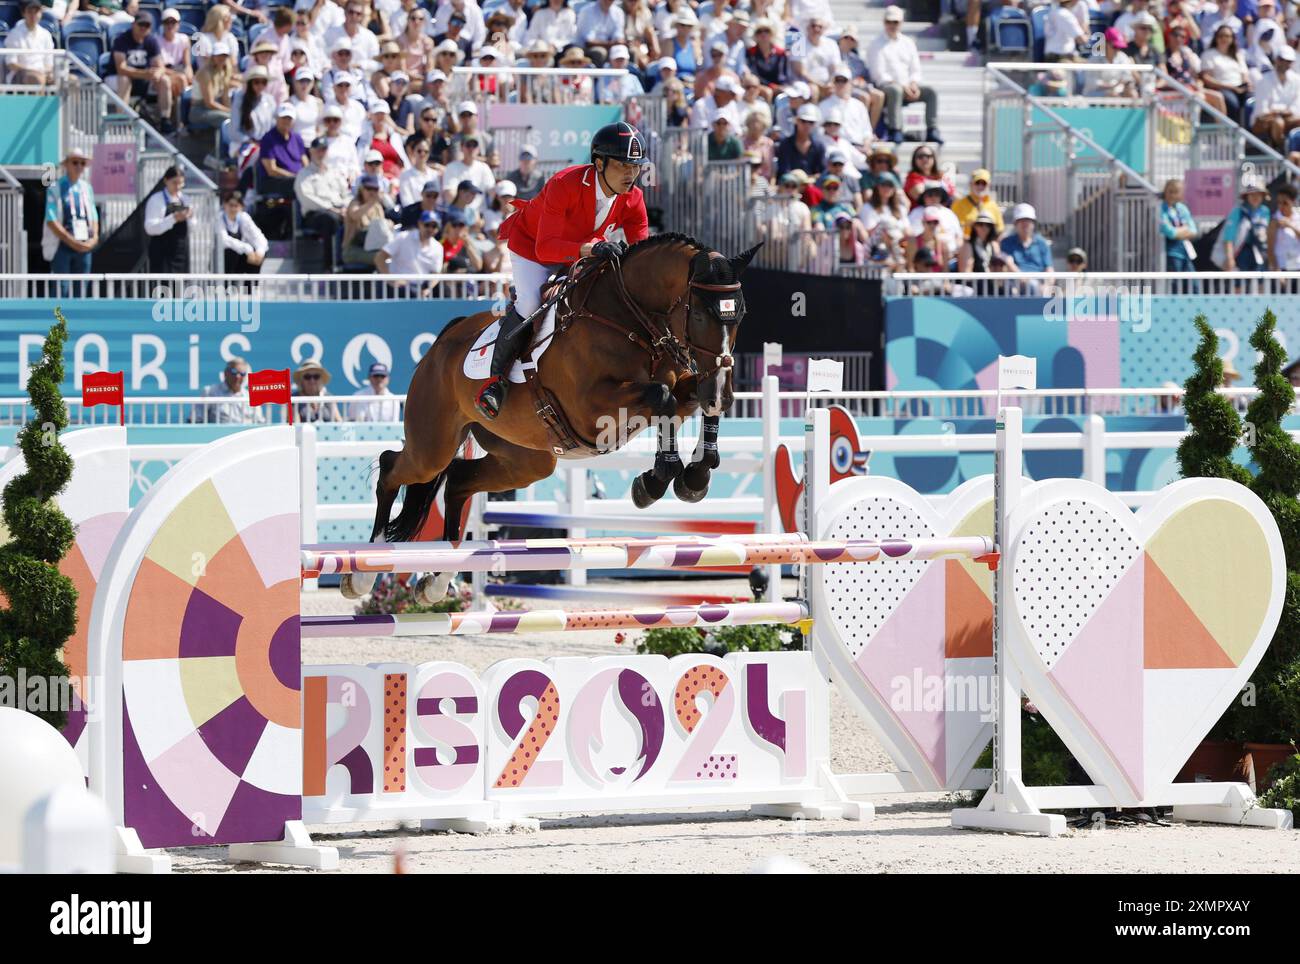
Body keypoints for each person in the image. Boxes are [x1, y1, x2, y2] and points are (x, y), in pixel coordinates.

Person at [477, 121, 650, 419]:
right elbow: (547, 248)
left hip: (579, 252)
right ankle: (495, 384)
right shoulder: (564, 183)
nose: (631, 174)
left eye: (635, 167)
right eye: (623, 166)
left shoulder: (633, 197)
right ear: (599, 163)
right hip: (533, 249)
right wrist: (592, 248)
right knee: (531, 304)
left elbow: (642, 249)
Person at [866, 6, 942, 145]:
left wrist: (913, 83)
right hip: (886, 87)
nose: (892, 25)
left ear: (901, 23)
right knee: (895, 90)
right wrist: (902, 85)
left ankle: (932, 129)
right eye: (889, 22)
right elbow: (879, 74)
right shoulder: (876, 44)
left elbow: (915, 69)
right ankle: (895, 129)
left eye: (895, 22)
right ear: (884, 22)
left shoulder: (908, 43)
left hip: (907, 86)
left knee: (931, 92)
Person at [110, 12, 176, 132]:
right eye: (141, 24)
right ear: (133, 24)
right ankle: (121, 120)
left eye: (147, 25)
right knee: (124, 78)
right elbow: (121, 68)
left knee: (165, 80)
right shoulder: (122, 40)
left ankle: (165, 119)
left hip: (143, 79)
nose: (143, 28)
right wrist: (145, 73)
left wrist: (157, 73)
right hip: (117, 79)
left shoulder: (151, 40)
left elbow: (160, 65)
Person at [43, 147, 99, 285]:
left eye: (82, 163)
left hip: (84, 245)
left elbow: (93, 216)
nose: (79, 166)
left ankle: (79, 308)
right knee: (61, 291)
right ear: (66, 164)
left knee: (82, 291)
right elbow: (51, 220)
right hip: (62, 245)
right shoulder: (55, 187)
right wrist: (72, 242)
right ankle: (57, 309)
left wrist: (94, 239)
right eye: (75, 162)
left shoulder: (87, 188)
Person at [295, 137, 351, 269]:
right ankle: (330, 264)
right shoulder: (303, 174)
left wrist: (346, 207)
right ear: (312, 152)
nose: (321, 153)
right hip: (316, 213)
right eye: (318, 150)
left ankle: (350, 260)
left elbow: (346, 193)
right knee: (330, 220)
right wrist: (331, 208)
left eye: (324, 150)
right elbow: (307, 199)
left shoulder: (335, 172)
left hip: (340, 210)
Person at [376, 210, 445, 291]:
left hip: (418, 291)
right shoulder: (403, 237)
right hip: (396, 290)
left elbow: (436, 273)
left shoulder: (438, 247)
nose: (430, 229)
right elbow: (379, 258)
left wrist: (427, 289)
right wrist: (390, 280)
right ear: (419, 223)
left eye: (434, 226)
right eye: (427, 225)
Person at [144, 166, 191, 273]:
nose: (178, 187)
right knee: (162, 287)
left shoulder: (186, 199)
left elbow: (193, 228)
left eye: (181, 183)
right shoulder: (156, 200)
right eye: (175, 183)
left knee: (180, 287)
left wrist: (190, 218)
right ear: (166, 180)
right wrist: (173, 218)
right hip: (162, 254)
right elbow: (149, 228)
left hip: (181, 252)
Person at [1217, 177, 1272, 270]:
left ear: (1263, 196)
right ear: (1247, 196)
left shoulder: (1265, 211)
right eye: (1252, 194)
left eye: (1258, 194)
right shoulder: (1238, 211)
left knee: (1261, 281)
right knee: (1240, 282)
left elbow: (1268, 234)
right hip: (1241, 252)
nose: (1255, 197)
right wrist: (1230, 258)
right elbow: (1228, 237)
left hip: (1261, 251)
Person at [1201, 23, 1252, 123]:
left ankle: (1248, 134)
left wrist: (1247, 85)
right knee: (1233, 104)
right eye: (1221, 36)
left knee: (1251, 102)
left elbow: (1244, 75)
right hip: (1222, 88)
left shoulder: (1238, 55)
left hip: (1239, 87)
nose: (1224, 39)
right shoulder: (1209, 54)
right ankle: (1232, 133)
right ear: (1216, 38)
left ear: (1232, 39)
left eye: (1227, 36)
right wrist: (1231, 87)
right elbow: (1206, 78)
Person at [1252, 46, 1300, 149]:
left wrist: (1279, 112)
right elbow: (1262, 112)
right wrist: (1282, 113)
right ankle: (1282, 151)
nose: (1285, 63)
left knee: (1282, 122)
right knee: (1278, 123)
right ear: (1276, 60)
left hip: (1287, 118)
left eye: (1288, 61)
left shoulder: (1296, 80)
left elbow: (1296, 107)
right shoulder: (1263, 80)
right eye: (1282, 59)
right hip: (1263, 121)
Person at [194, 357, 262, 424]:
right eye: (234, 372)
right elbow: (197, 420)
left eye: (242, 373)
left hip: (246, 434)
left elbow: (260, 422)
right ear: (225, 373)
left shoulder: (251, 396)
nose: (238, 376)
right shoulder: (210, 392)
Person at [342, 172, 390, 267]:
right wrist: (372, 202)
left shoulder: (377, 207)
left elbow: (382, 230)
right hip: (353, 249)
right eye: (368, 189)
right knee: (381, 258)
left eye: (375, 189)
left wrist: (389, 224)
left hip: (374, 248)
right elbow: (355, 215)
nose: (372, 192)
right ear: (362, 189)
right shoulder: (355, 203)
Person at [4, 0, 56, 85]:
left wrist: (47, 74)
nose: (33, 15)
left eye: (36, 12)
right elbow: (11, 64)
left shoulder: (46, 34)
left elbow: (49, 63)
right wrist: (34, 72)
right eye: (30, 12)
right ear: (23, 13)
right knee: (37, 78)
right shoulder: (14, 34)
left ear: (41, 13)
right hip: (19, 75)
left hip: (42, 74)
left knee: (71, 80)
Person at [260, 104, 307, 197]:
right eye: (283, 118)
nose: (286, 121)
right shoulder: (268, 139)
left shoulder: (297, 138)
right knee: (299, 185)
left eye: (289, 118)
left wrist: (307, 174)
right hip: (276, 181)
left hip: (297, 178)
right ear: (277, 118)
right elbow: (271, 170)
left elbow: (305, 160)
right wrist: (294, 177)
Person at [217, 191, 269, 274]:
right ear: (225, 205)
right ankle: (228, 285)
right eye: (230, 205)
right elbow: (225, 240)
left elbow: (259, 237)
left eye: (236, 206)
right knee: (231, 252)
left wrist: (259, 253)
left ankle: (251, 286)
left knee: (259, 252)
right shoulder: (219, 218)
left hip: (239, 259)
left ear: (241, 207)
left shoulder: (244, 217)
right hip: (223, 261)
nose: (233, 209)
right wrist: (247, 248)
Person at [775, 103, 827, 177]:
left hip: (814, 187)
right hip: (790, 186)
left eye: (811, 122)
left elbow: (822, 173)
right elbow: (783, 171)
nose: (807, 125)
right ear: (797, 121)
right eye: (803, 121)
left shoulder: (819, 147)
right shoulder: (785, 144)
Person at [1000, 203, 1053, 273]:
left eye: (1028, 220)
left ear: (1033, 223)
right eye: (1021, 221)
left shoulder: (1042, 243)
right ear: (1015, 224)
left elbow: (1049, 268)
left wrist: (1047, 283)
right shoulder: (1007, 243)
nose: (1025, 224)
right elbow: (1007, 265)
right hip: (1015, 282)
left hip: (1040, 281)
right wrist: (1025, 280)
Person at [1160, 178, 1199, 271]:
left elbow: (1194, 231)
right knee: (1176, 284)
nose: (1173, 195)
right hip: (1171, 253)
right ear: (1165, 191)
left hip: (1186, 252)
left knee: (1194, 284)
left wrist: (1178, 232)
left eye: (1176, 192)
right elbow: (1171, 233)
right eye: (1170, 191)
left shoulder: (1182, 208)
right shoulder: (1161, 209)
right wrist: (1185, 229)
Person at [951, 168, 1004, 236]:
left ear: (989, 185)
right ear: (971, 184)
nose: (980, 186)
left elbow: (1000, 229)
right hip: (967, 243)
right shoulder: (958, 204)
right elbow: (954, 229)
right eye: (977, 183)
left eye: (984, 183)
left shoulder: (993, 205)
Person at [1268, 182, 1300, 269]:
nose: (1281, 206)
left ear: (1293, 202)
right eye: (1279, 202)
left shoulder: (1298, 217)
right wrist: (1276, 270)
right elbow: (1270, 248)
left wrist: (1290, 226)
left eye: (1285, 203)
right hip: (1281, 268)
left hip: (1297, 267)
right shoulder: (1274, 221)